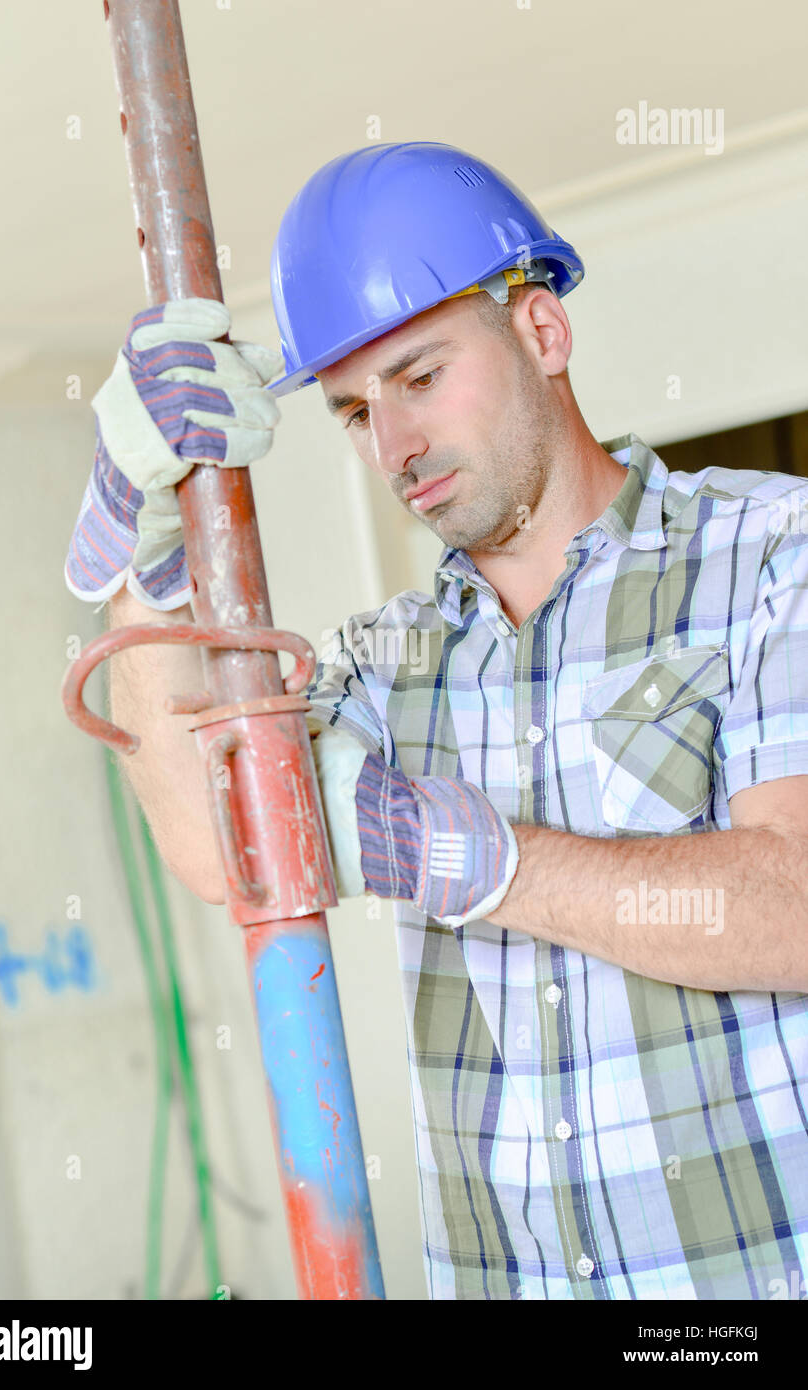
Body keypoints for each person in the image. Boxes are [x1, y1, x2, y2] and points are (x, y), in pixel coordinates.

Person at [66, 142, 808, 1301]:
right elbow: (221, 850)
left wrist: (482, 862)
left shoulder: (771, 555)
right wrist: (140, 553)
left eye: (420, 376)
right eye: (355, 410)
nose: (392, 446)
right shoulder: (381, 664)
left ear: (542, 334)